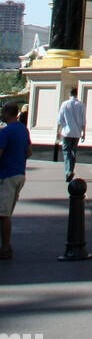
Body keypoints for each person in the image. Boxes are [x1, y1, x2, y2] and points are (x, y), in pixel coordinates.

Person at [0, 101, 31, 260]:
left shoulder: (5, 132)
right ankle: (5, 246)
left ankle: (5, 248)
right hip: (20, 174)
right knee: (6, 212)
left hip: (7, 176)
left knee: (3, 214)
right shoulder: (23, 130)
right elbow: (29, 152)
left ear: (7, 113)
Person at [57, 86, 86, 183]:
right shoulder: (81, 105)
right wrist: (83, 133)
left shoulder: (64, 104)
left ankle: (68, 171)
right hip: (77, 132)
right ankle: (71, 170)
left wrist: (59, 130)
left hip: (66, 132)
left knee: (66, 151)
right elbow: (83, 120)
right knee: (73, 152)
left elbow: (60, 119)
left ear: (70, 94)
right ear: (76, 94)